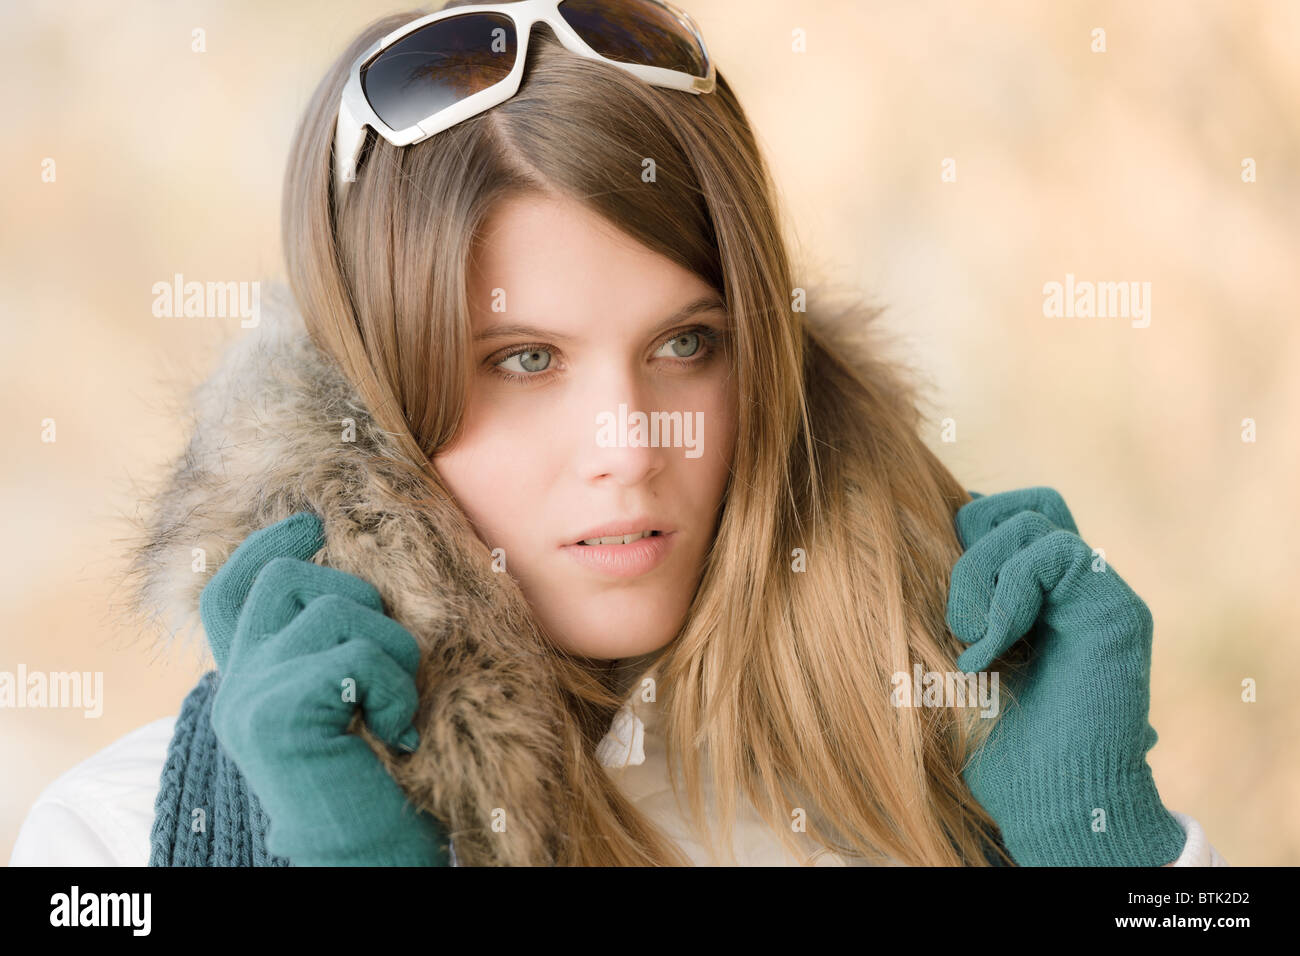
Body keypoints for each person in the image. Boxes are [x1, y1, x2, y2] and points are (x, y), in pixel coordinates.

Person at [11, 0, 1227, 867]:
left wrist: (1101, 845)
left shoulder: (950, 766)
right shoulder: (124, 835)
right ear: (370, 402)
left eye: (686, 342)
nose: (629, 443)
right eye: (524, 360)